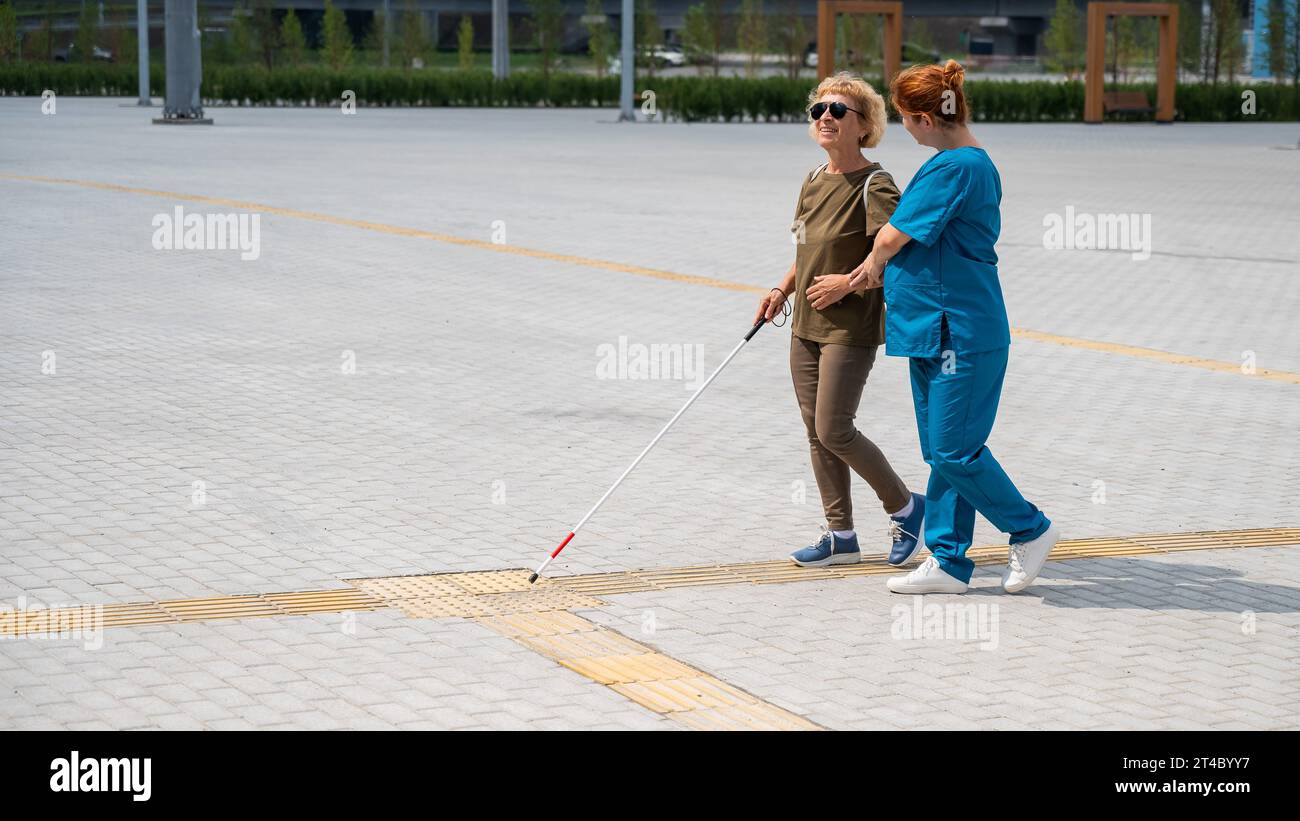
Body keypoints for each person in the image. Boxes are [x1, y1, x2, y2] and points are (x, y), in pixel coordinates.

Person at [849, 60, 1060, 594]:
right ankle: (948, 561)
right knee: (944, 450)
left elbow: (893, 236)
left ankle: (1029, 528)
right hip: (933, 328)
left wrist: (871, 265)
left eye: (903, 118)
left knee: (954, 451)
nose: (903, 128)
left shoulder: (957, 167)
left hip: (960, 332)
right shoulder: (959, 162)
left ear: (923, 118)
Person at [754, 72, 926, 569]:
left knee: (835, 428)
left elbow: (893, 257)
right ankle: (841, 535)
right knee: (815, 431)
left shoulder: (875, 184)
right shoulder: (812, 180)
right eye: (818, 111)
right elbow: (805, 249)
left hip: (850, 326)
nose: (825, 118)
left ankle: (907, 507)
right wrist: (779, 290)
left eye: (838, 111)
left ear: (864, 124)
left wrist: (845, 285)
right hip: (804, 324)